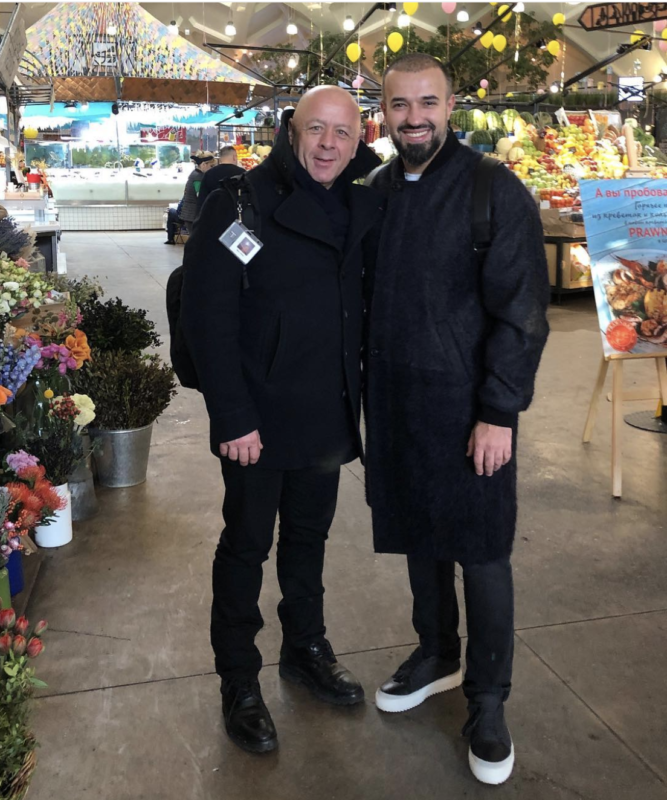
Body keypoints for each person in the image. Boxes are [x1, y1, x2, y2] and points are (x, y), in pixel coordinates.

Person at [364, 54, 550, 785]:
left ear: (450, 104)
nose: (413, 117)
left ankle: (489, 697)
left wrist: (498, 412)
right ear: (381, 111)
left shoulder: (491, 191)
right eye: (399, 104)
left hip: (470, 409)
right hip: (396, 403)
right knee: (418, 532)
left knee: (480, 550)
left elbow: (522, 314)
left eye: (427, 102)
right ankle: (437, 652)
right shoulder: (376, 190)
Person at [180, 86, 382, 755]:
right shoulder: (240, 202)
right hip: (257, 418)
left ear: (359, 139)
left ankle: (306, 646)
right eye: (315, 129)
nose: (328, 144)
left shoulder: (363, 200)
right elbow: (209, 318)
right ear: (291, 130)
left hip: (325, 407)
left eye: (342, 134)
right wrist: (233, 416)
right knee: (245, 546)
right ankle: (238, 679)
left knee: (308, 538)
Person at [165, 151, 216, 244]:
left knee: (196, 242)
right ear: (204, 164)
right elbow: (199, 195)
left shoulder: (195, 174)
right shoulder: (198, 177)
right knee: (197, 242)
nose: (212, 169)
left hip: (190, 215)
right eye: (211, 166)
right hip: (192, 216)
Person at [197, 145, 244, 212]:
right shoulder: (242, 173)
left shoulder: (209, 174)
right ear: (234, 157)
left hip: (214, 215)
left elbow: (202, 200)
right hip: (235, 215)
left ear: (220, 158)